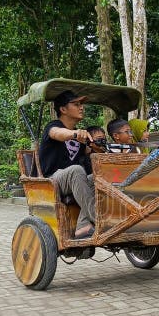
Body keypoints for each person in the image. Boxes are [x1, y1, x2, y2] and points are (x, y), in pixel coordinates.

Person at [38, 90, 96, 239]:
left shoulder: (81, 138)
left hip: (73, 180)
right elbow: (57, 133)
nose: (81, 107)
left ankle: (83, 226)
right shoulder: (53, 126)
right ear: (63, 109)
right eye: (76, 104)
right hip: (52, 180)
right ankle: (99, 218)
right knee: (76, 170)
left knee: (98, 179)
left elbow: (91, 153)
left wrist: (98, 146)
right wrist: (75, 134)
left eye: (81, 104)